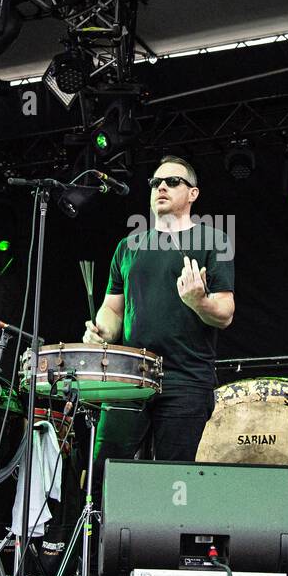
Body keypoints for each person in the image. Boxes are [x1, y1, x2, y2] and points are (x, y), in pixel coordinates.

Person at [84, 155, 235, 477]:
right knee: (105, 475)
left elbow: (224, 314)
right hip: (130, 375)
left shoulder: (213, 241)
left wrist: (198, 302)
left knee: (172, 482)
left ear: (193, 193)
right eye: (155, 182)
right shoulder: (129, 246)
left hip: (185, 379)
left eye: (172, 182)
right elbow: (113, 308)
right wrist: (102, 331)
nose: (161, 187)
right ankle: (103, 529)